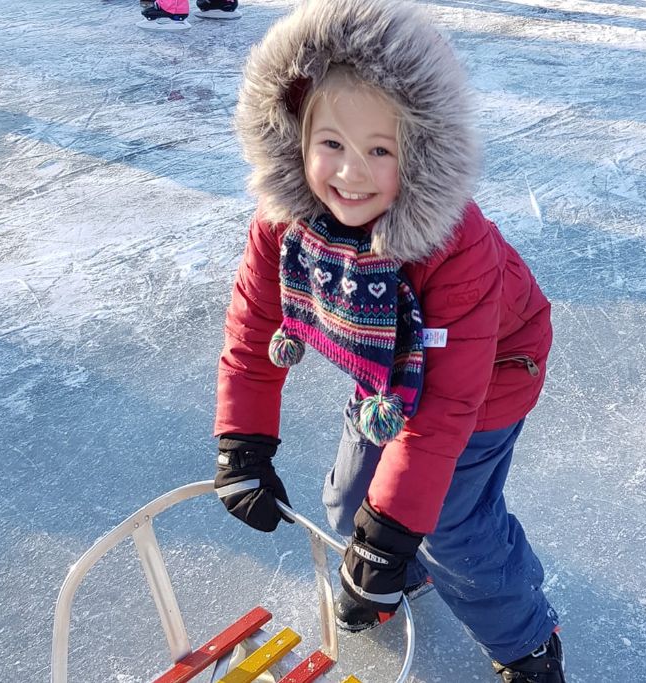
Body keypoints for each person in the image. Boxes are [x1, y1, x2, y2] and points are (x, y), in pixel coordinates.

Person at [211, 0, 564, 680]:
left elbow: (446, 407)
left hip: (491, 371)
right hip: (386, 371)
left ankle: (528, 641)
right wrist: (242, 441)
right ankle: (400, 568)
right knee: (351, 504)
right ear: (294, 137)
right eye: (331, 145)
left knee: (449, 524)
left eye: (380, 150)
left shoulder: (456, 247)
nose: (351, 174)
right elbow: (254, 325)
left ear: (420, 152)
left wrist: (394, 534)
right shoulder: (285, 221)